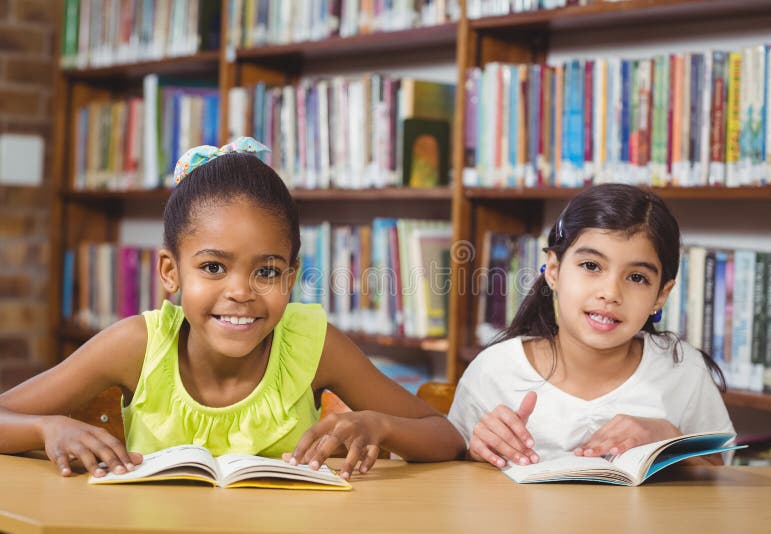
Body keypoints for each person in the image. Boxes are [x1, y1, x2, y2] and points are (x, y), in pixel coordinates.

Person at [0, 137, 465, 481]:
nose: (241, 291)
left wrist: (380, 425)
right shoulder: (137, 345)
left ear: (290, 277)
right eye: (213, 267)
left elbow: (445, 436)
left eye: (267, 271)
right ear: (170, 271)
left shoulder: (313, 345)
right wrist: (46, 428)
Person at [448, 183, 733, 469]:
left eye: (636, 277)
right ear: (554, 270)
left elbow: (719, 474)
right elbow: (454, 469)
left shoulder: (684, 371)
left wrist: (670, 439)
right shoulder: (493, 372)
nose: (610, 293)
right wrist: (476, 452)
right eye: (591, 266)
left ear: (661, 295)